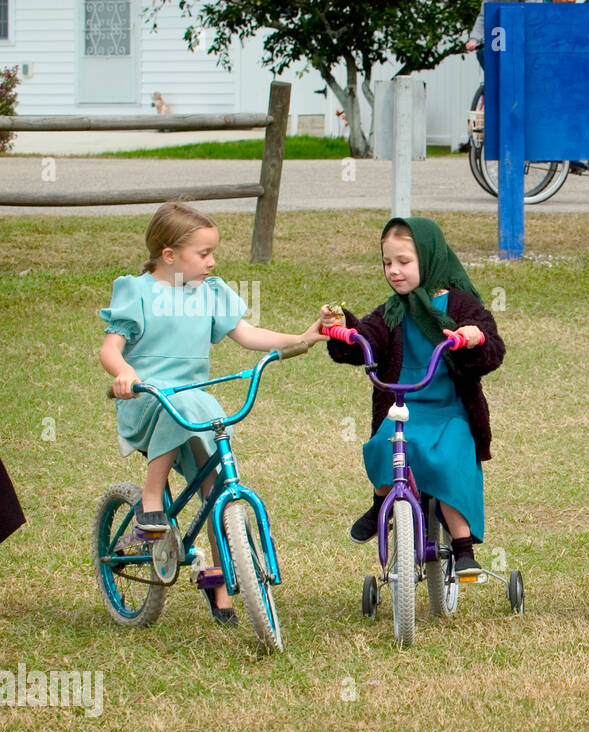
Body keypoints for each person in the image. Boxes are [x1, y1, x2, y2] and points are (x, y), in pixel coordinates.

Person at [100, 202, 326, 623]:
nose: (212, 261)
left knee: (216, 492)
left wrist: (302, 338)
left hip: (194, 404)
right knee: (183, 401)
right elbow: (111, 347)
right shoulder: (137, 291)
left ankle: (218, 581)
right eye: (203, 253)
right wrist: (124, 371)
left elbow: (248, 334)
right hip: (149, 400)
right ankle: (152, 496)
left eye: (212, 252)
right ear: (169, 255)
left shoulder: (210, 292)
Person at [322, 217, 504, 580]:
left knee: (451, 454)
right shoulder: (393, 309)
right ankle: (380, 504)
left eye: (404, 261)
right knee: (384, 443)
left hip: (450, 408)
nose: (394, 271)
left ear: (429, 256)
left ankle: (463, 548)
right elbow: (367, 341)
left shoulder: (461, 304)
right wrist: (344, 331)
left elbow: (492, 348)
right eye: (387, 262)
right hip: (404, 405)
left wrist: (474, 337)